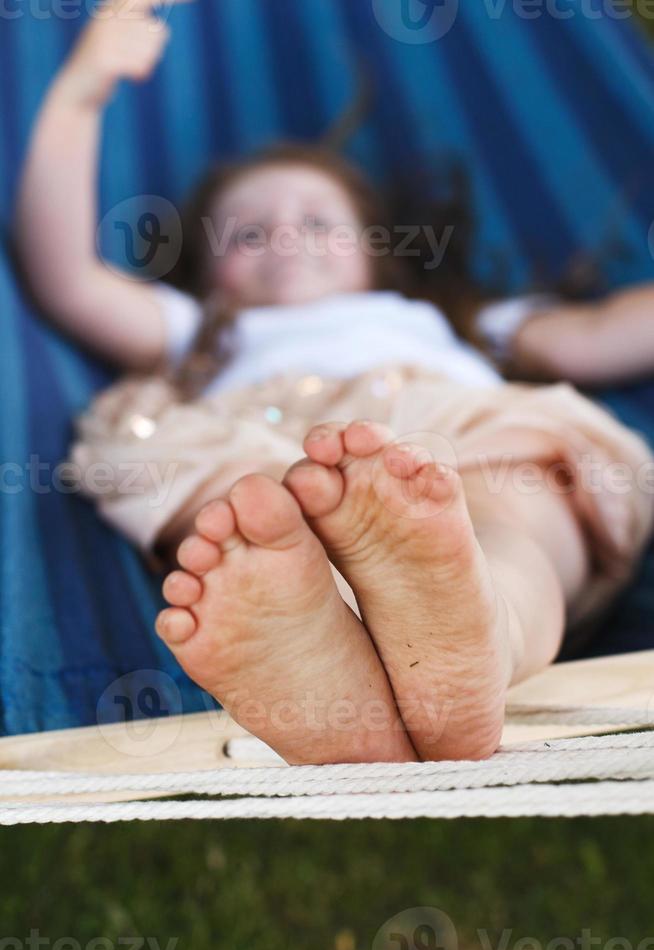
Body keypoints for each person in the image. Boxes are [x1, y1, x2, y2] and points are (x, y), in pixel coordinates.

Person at [12, 0, 654, 766]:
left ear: (376, 250)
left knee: (513, 526)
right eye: (247, 232)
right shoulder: (200, 331)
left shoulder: (454, 321)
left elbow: (601, 333)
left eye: (319, 222)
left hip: (457, 428)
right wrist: (81, 91)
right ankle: (326, 654)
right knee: (241, 514)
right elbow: (66, 278)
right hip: (261, 439)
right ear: (207, 270)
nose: (286, 235)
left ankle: (481, 634)